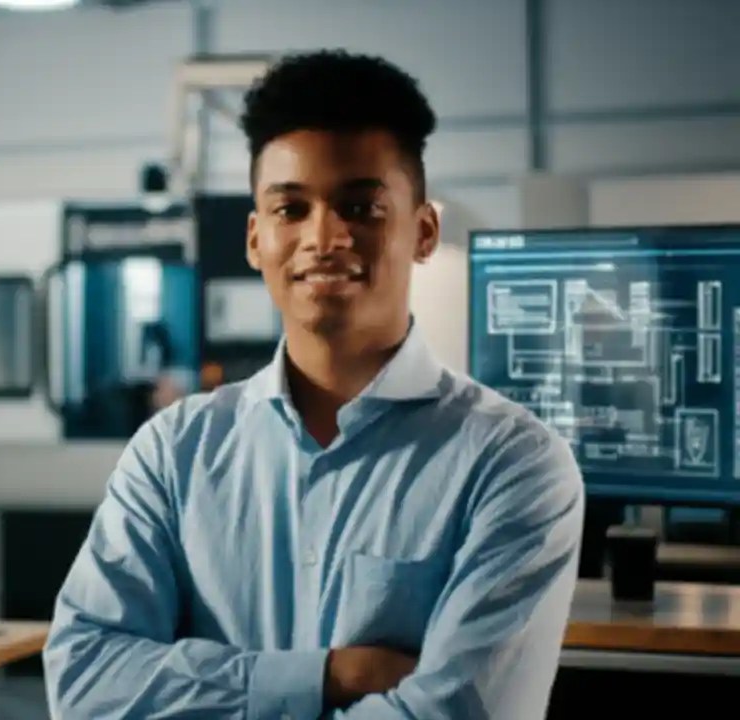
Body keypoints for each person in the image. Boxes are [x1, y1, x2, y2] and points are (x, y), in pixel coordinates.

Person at [43, 49, 584, 719]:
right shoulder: (173, 454)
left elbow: (455, 714)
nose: (324, 238)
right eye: (290, 209)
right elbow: (86, 682)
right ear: (254, 238)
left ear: (423, 230)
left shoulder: (512, 465)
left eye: (361, 206)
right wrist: (326, 677)